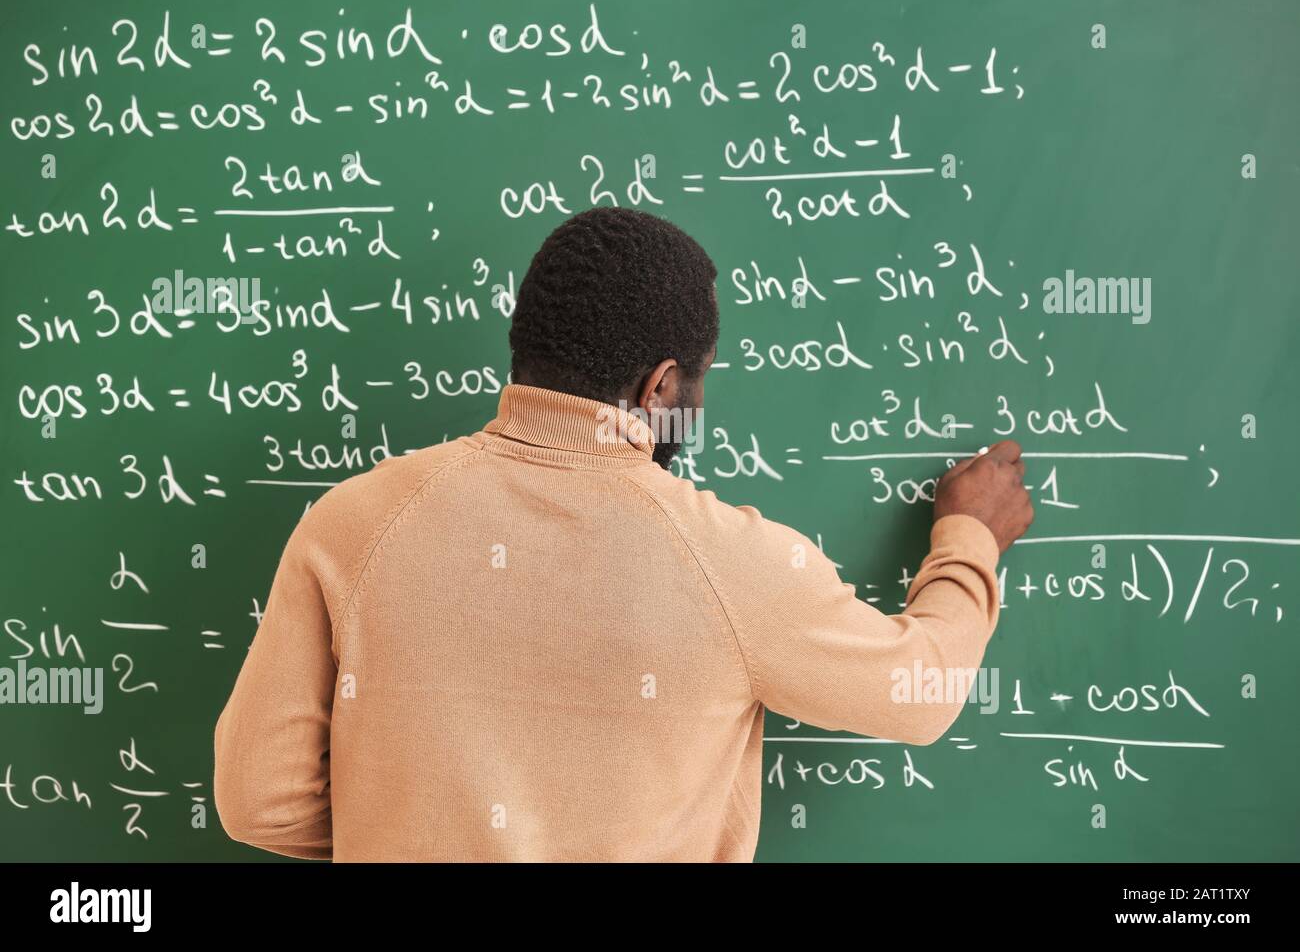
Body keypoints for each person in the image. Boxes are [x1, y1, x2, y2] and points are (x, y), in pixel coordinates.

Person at [214, 207, 1033, 861]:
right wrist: (969, 538)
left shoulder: (353, 523)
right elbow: (919, 692)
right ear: (662, 384)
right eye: (702, 375)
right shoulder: (732, 563)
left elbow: (260, 801)